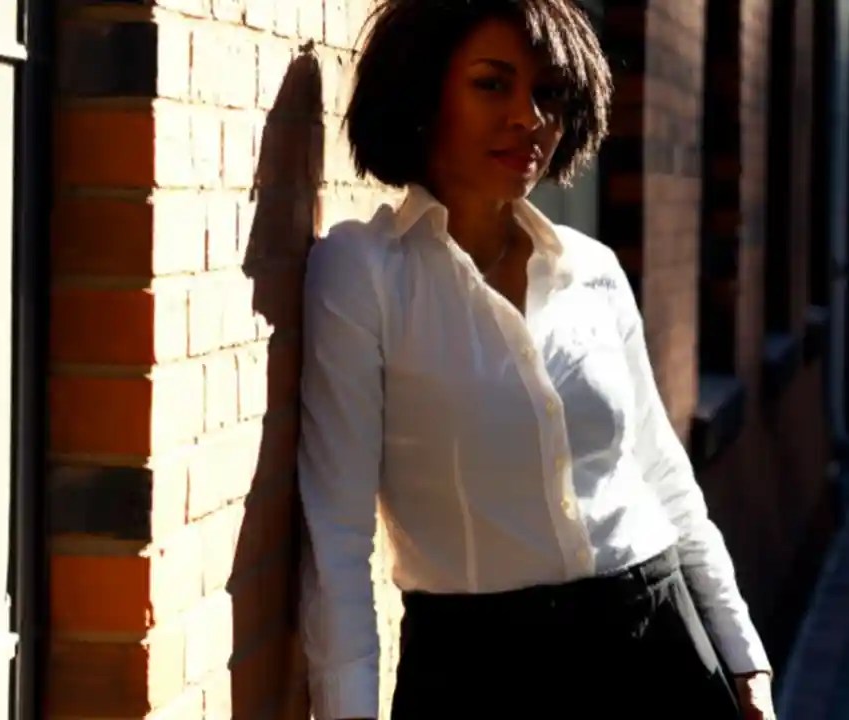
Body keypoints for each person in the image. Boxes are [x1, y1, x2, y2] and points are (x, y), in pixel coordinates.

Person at [296, 1, 775, 718]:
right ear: (425, 91)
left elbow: (660, 472)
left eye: (549, 93)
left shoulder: (595, 270)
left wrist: (743, 657)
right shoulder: (364, 274)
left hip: (658, 640)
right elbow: (337, 535)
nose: (530, 117)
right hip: (480, 671)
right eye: (494, 84)